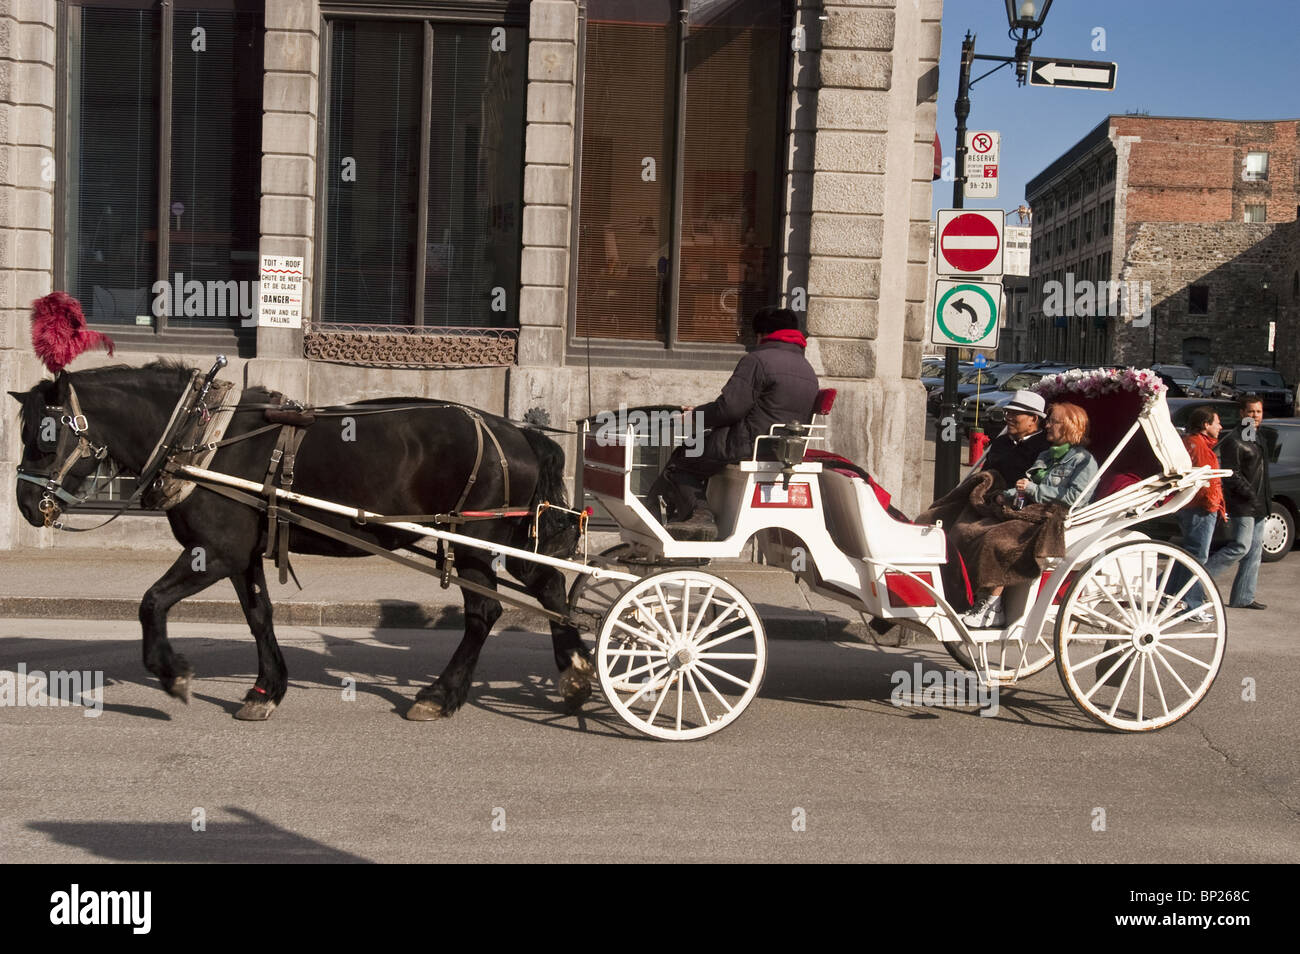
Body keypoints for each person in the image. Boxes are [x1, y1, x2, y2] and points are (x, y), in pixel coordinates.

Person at [649, 306, 819, 540]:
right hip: (783, 448)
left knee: (682, 459)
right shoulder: (807, 369)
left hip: (748, 443)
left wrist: (694, 417)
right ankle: (688, 516)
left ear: (761, 334)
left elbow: (730, 408)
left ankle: (699, 517)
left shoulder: (758, 360)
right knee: (699, 455)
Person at [962, 401, 1098, 628]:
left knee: (997, 540)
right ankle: (977, 596)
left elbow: (1075, 497)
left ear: (1069, 426)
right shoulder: (1046, 455)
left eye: (1053, 421)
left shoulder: (1084, 461)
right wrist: (1004, 495)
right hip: (1030, 510)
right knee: (976, 530)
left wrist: (1034, 491)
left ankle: (993, 606)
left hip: (1054, 518)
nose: (1047, 426)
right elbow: (1027, 483)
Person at [1212, 394, 1273, 610]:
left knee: (1254, 552)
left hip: (1258, 504)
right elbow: (1232, 473)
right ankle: (1198, 580)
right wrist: (1250, 495)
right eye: (1250, 411)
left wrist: (1265, 501)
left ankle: (1243, 598)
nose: (1255, 415)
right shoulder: (1236, 438)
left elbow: (1260, 473)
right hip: (1244, 503)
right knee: (1240, 547)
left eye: (1258, 411)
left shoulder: (1256, 437)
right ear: (1242, 414)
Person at [1174, 405, 1226, 621]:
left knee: (1187, 554)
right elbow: (1208, 483)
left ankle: (1167, 593)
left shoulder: (1190, 443)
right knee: (1198, 556)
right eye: (1217, 422)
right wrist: (1215, 506)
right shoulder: (1200, 447)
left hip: (1189, 506)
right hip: (1200, 507)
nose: (1221, 427)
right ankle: (1192, 604)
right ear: (1206, 425)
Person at [981, 389, 1050, 487]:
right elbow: (983, 474)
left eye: (1015, 413)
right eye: (1008, 413)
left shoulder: (1044, 448)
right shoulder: (1000, 442)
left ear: (1033, 419)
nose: (1008, 417)